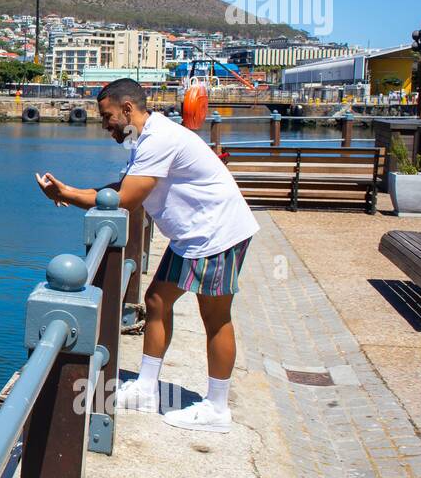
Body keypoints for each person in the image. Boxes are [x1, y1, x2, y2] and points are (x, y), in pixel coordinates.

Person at [34, 78, 259, 433]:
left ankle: (217, 408)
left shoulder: (159, 140)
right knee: (155, 302)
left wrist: (72, 197)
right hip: (192, 235)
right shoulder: (146, 138)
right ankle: (146, 389)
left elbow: (126, 199)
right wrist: (69, 192)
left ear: (127, 109)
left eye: (107, 116)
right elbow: (121, 189)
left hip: (216, 232)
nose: (105, 124)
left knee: (215, 317)